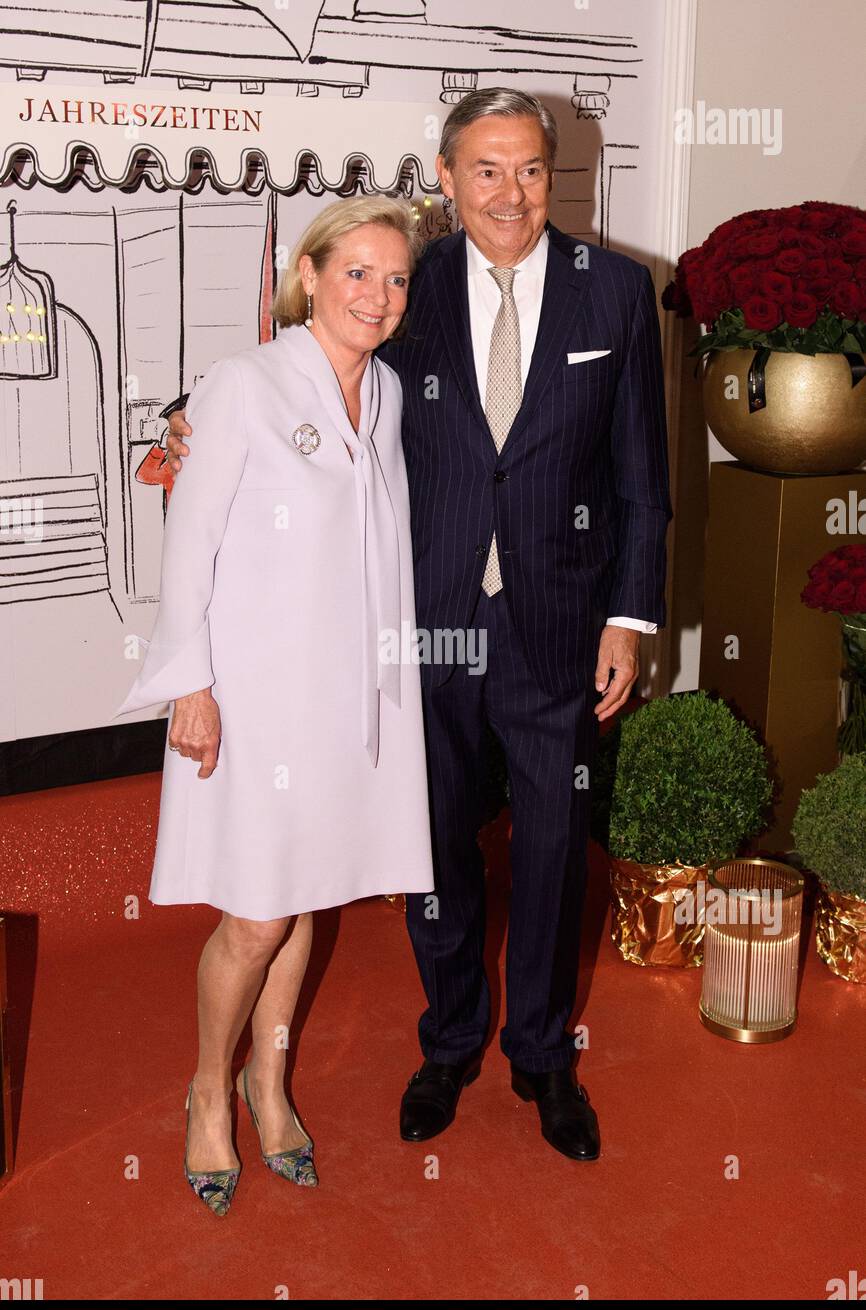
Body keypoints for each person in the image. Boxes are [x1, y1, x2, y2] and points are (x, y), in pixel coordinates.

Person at [165, 89, 672, 1164]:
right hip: (421, 630)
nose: (509, 193)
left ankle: (540, 1053)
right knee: (431, 847)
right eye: (483, 169)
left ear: (553, 173)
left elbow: (641, 476)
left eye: (529, 169)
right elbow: (299, 375)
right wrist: (182, 423)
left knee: (550, 848)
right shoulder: (407, 284)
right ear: (444, 175)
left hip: (556, 626)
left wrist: (628, 614)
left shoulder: (616, 293)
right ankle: (447, 1041)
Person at [113, 196, 434, 1215]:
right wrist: (190, 686)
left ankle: (270, 1079)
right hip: (251, 695)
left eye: (394, 281)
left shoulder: (382, 394)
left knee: (305, 894)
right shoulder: (240, 385)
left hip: (351, 698)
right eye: (356, 273)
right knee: (255, 914)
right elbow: (189, 541)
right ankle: (210, 1088)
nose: (376, 297)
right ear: (308, 275)